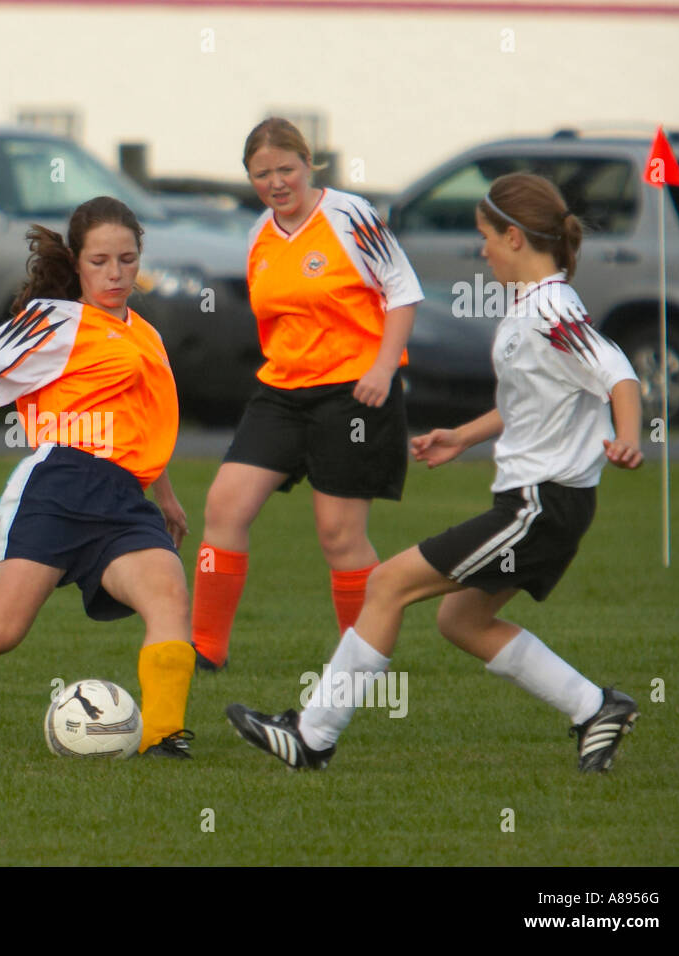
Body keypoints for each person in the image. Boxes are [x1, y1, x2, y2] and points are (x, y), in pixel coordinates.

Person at [226, 172, 643, 772]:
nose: (484, 250)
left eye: (487, 237)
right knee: (463, 620)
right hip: (540, 503)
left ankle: (312, 735)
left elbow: (617, 372)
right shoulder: (535, 305)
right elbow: (535, 398)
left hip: (537, 506)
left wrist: (628, 437)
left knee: (386, 583)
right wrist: (462, 437)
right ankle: (594, 706)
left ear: (517, 239)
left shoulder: (551, 307)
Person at [0, 196, 197, 757]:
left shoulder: (147, 336)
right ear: (78, 264)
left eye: (127, 260)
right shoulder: (53, 321)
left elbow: (141, 426)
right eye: (101, 261)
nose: (115, 273)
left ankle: (162, 736)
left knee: (169, 596)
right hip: (58, 487)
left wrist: (167, 495)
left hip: (124, 498)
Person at [190, 117, 422, 671]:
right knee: (225, 503)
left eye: (286, 169)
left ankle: (362, 660)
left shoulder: (350, 215)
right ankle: (203, 649)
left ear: (309, 163)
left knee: (339, 535)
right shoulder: (258, 235)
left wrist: (383, 369)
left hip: (354, 392)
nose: (276, 182)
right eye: (261, 174)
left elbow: (403, 293)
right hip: (283, 390)